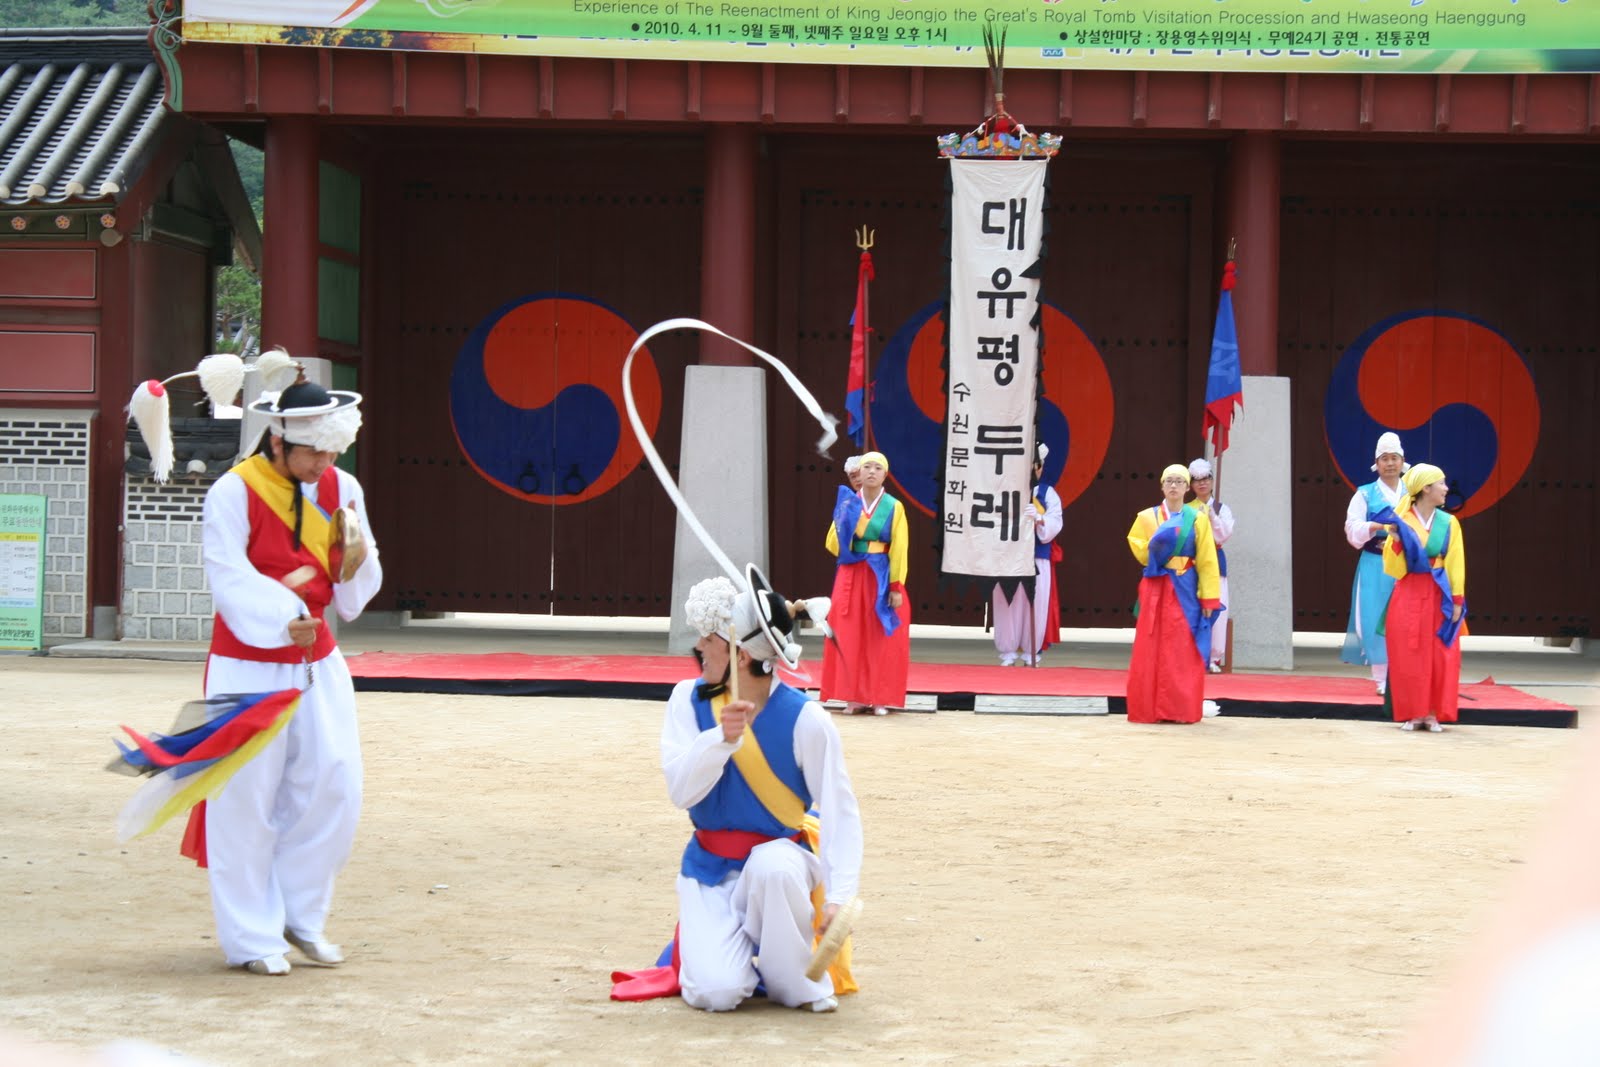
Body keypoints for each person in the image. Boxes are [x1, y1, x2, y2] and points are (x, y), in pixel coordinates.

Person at [189, 374, 383, 976]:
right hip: (248, 661)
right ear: (278, 440)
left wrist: (356, 561)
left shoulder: (340, 484)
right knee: (245, 799)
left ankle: (301, 915)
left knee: (336, 784)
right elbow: (228, 575)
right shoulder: (233, 491)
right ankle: (251, 936)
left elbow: (356, 571)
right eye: (312, 453)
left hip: (318, 659)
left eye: (330, 452)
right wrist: (286, 614)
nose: (322, 463)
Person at [612, 570, 863, 1013]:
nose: (698, 647)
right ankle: (737, 959)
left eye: (709, 638)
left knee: (775, 872)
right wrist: (719, 743)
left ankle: (786, 972)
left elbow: (840, 808)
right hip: (709, 868)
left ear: (740, 654)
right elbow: (681, 792)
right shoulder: (686, 701)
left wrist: (839, 896)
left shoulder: (808, 720)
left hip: (779, 866)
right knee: (716, 992)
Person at [1125, 464, 1221, 724]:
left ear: (1187, 487)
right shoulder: (1146, 517)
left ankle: (1180, 708)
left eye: (1180, 481)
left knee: (1183, 647)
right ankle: (1150, 707)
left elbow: (1207, 560)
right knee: (1151, 646)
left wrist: (1209, 597)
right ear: (1162, 486)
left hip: (1186, 587)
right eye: (1169, 481)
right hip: (1156, 586)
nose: (1174, 486)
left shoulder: (1198, 518)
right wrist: (1155, 547)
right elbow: (1139, 548)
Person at [820, 451, 909, 715]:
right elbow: (832, 543)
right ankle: (853, 696)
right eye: (867, 467)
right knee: (849, 634)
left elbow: (900, 547)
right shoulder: (849, 503)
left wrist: (895, 586)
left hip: (880, 573)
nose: (872, 471)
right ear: (858, 473)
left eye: (877, 467)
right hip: (851, 573)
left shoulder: (894, 506)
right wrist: (845, 522)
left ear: (885, 474)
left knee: (879, 637)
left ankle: (878, 696)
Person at [1380, 463, 1465, 733]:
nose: (1446, 488)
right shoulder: (1400, 522)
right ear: (1426, 488)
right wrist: (1394, 542)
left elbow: (1456, 563)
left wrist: (1457, 601)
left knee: (1441, 654)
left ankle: (1432, 713)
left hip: (1439, 592)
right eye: (1441, 483)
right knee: (1409, 652)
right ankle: (1413, 712)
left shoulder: (1449, 522)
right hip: (1408, 591)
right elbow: (1393, 569)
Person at [1343, 432, 1408, 695]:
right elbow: (1351, 527)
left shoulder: (1412, 492)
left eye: (1394, 458)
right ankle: (1381, 677)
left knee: (1405, 618)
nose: (1390, 464)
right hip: (1375, 564)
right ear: (1376, 464)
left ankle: (1404, 673)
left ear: (1402, 461)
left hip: (1406, 565)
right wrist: (1376, 525)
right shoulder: (1365, 494)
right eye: (1385, 459)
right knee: (1374, 616)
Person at [992, 444, 1063, 666]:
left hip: (1036, 556)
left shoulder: (1047, 493)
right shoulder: (1001, 489)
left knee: (1036, 602)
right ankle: (1007, 651)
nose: (1032, 469)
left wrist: (1040, 519)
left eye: (1036, 466)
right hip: (1008, 556)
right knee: (1007, 601)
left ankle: (1033, 650)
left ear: (1040, 469)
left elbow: (1056, 522)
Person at [1188, 457, 1235, 673]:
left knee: (1217, 609)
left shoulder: (1222, 509)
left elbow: (1223, 535)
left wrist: (1212, 516)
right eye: (1196, 480)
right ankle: (1191, 653)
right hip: (1192, 563)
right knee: (1192, 608)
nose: (1202, 483)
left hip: (1215, 562)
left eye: (1205, 478)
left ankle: (1213, 657)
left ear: (1211, 481)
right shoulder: (1186, 508)